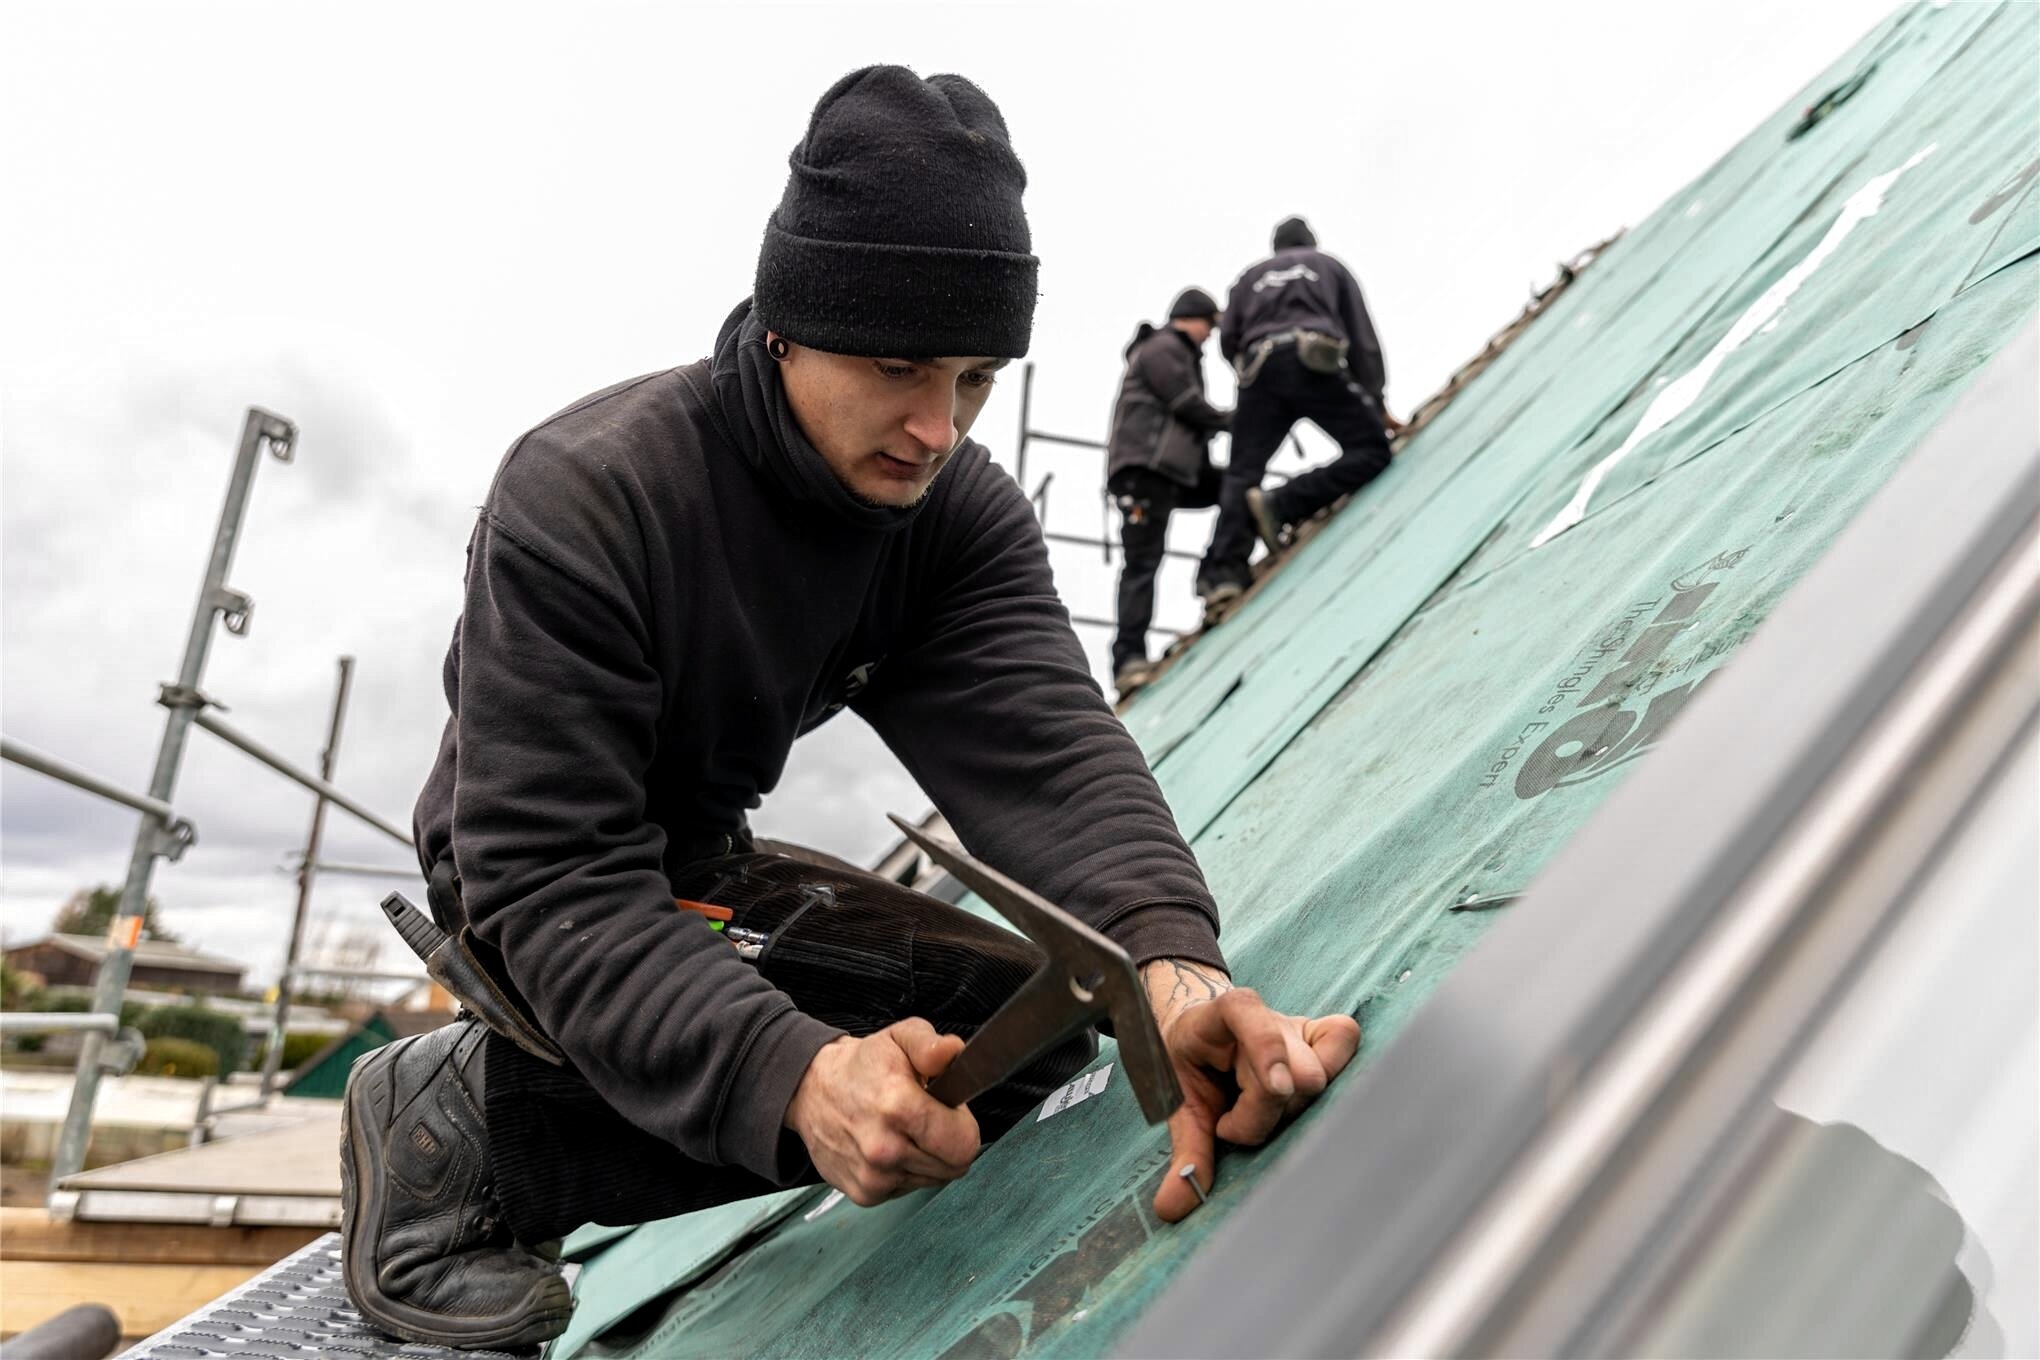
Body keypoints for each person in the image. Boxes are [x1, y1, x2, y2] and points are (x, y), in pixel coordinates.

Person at [338, 68, 1360, 1352]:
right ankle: (472, 1129)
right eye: (898, 366)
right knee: (817, 1079)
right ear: (786, 326)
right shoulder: (589, 497)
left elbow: (1052, 761)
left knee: (1023, 1045)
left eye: (978, 377)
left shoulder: (952, 517)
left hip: (708, 865)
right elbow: (554, 878)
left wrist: (1173, 968)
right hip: (532, 886)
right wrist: (795, 1077)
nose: (937, 428)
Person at [1198, 216, 1400, 613]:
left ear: (1276, 247)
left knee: (1242, 472)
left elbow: (1228, 340)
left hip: (1259, 370)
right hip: (1313, 362)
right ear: (1310, 242)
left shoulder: (1247, 278)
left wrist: (1251, 373)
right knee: (1372, 449)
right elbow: (1361, 336)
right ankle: (1283, 504)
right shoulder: (1327, 265)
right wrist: (1375, 401)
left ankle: (1222, 575)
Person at [1103, 287, 1229, 696]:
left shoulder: (1172, 351)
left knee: (1235, 486)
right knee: (1142, 563)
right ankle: (1128, 660)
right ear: (1192, 318)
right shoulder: (1163, 347)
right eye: (1209, 324)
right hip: (1146, 473)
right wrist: (1234, 419)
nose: (1210, 334)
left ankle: (1217, 572)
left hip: (1171, 472)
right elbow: (1186, 403)